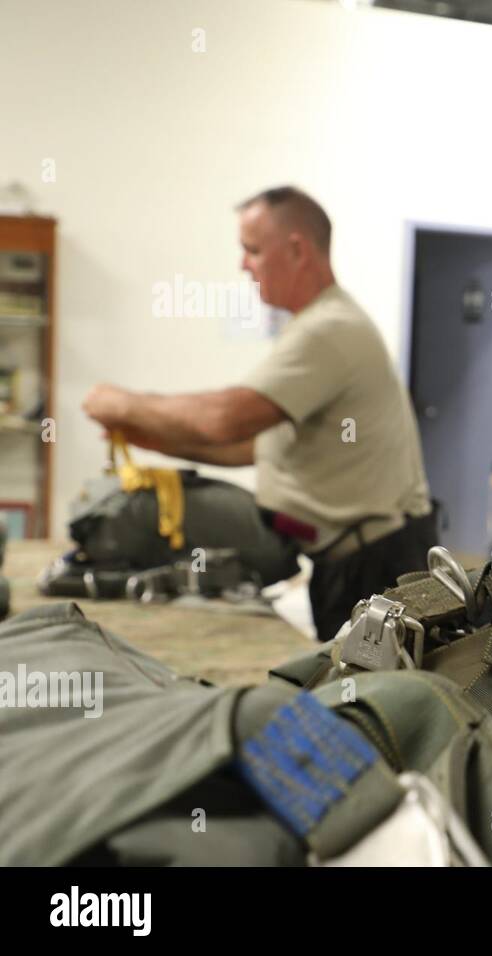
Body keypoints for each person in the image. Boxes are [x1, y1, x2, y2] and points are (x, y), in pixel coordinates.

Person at [83, 186, 435, 641]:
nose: (243, 265)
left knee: (363, 684)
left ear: (296, 250)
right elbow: (252, 444)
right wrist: (153, 437)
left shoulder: (329, 329)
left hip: (376, 567)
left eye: (252, 250)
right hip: (349, 560)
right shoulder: (315, 323)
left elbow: (227, 418)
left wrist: (123, 403)